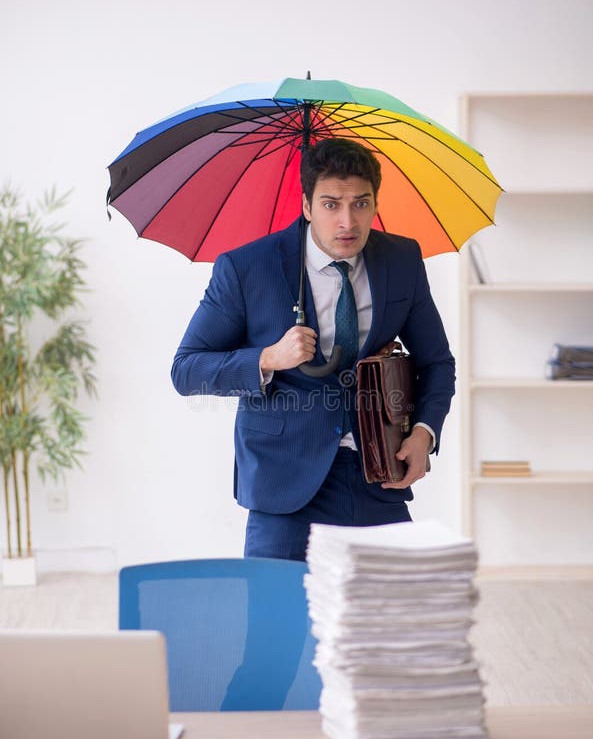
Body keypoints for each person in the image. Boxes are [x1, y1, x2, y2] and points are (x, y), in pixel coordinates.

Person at [172, 138, 455, 561]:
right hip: (284, 488)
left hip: (377, 475)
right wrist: (267, 359)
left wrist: (423, 433)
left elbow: (437, 363)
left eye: (361, 204)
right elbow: (187, 369)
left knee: (387, 618)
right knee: (277, 620)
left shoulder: (402, 260)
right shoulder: (246, 268)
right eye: (330, 204)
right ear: (306, 206)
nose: (347, 221)